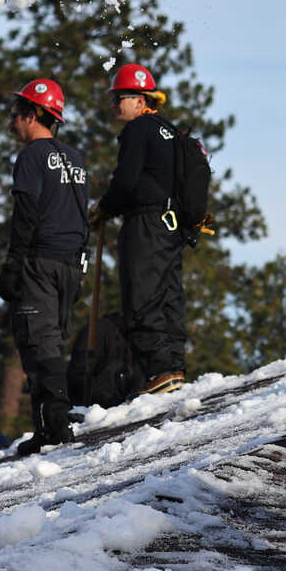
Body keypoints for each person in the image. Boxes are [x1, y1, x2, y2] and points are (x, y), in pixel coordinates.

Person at [0, 78, 90, 454]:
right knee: (53, 340)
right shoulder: (76, 159)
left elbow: (26, 213)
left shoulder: (32, 157)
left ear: (32, 115)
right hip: (71, 263)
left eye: (15, 115)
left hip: (41, 262)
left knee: (38, 342)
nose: (11, 123)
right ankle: (53, 421)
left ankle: (54, 427)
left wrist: (14, 262)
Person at [90, 63, 187, 395]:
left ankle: (159, 369)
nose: (116, 103)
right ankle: (173, 365)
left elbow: (126, 180)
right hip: (172, 224)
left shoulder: (138, 130)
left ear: (141, 98)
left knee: (142, 294)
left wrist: (104, 207)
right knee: (169, 293)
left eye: (122, 96)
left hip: (145, 222)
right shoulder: (169, 130)